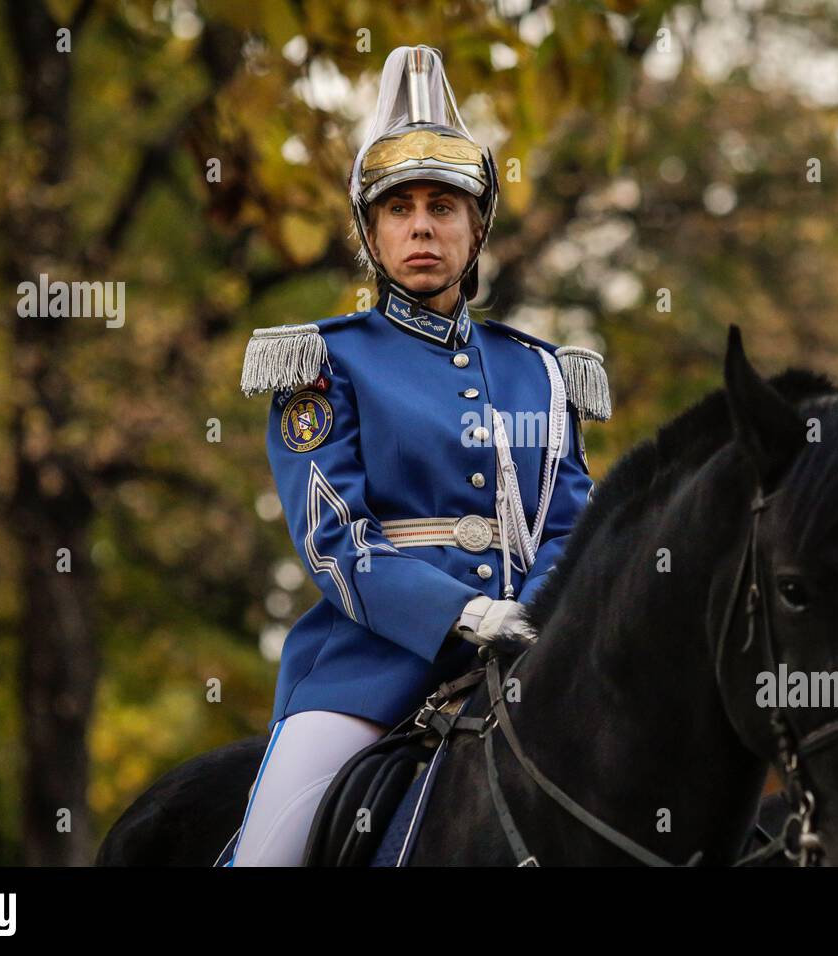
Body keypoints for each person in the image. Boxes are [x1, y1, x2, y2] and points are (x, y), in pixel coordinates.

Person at [225, 45, 608, 866]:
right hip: (369, 668)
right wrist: (461, 616)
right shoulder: (322, 360)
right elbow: (335, 540)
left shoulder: (542, 373)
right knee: (269, 856)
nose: (423, 226)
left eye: (444, 206)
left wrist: (536, 614)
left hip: (533, 662)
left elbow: (575, 528)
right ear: (371, 233)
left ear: (477, 229)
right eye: (400, 209)